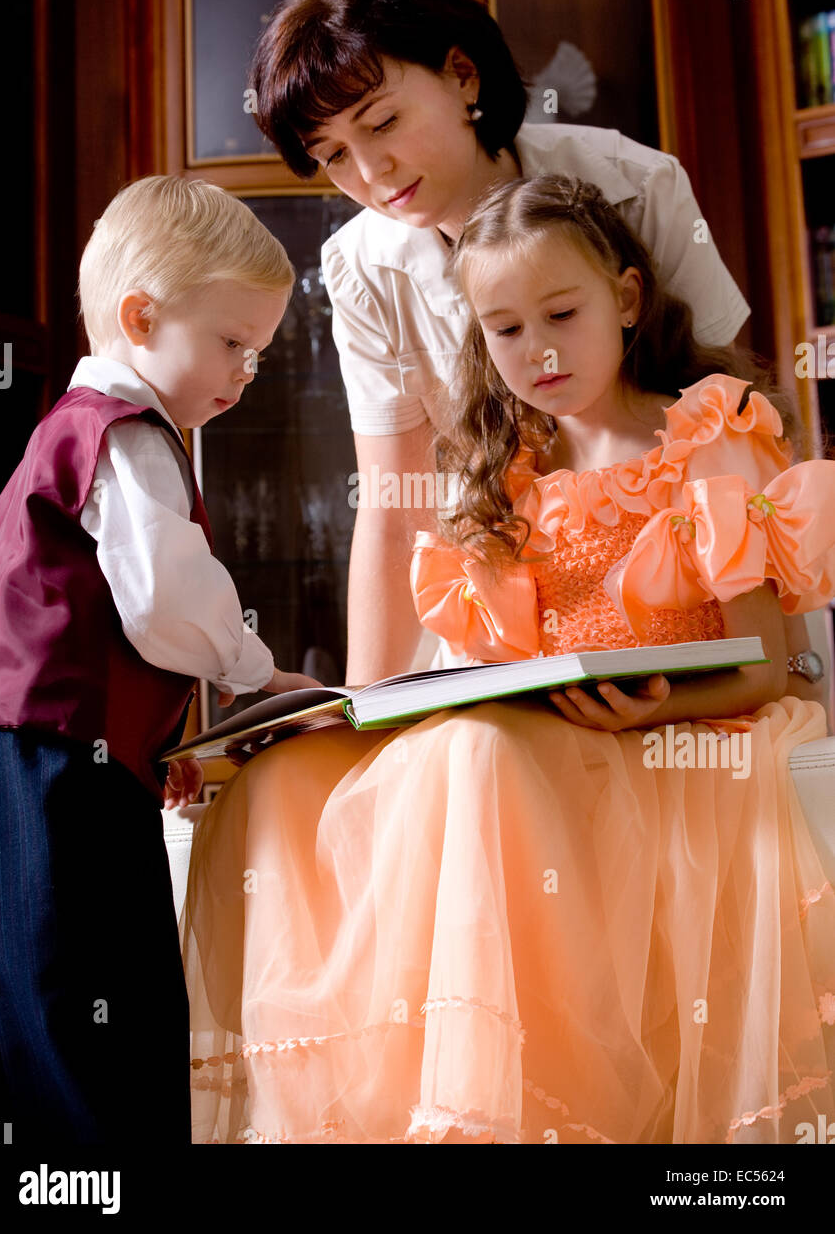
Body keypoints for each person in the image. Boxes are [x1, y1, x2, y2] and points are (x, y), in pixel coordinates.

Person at [182, 173, 835, 1145]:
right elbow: (498, 670)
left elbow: (772, 664)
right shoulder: (509, 474)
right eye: (502, 329)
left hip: (684, 737)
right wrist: (355, 708)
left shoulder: (706, 436)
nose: (535, 351)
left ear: (622, 298)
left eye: (559, 314)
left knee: (479, 754)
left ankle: (506, 1113)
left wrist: (646, 711)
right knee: (284, 780)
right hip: (544, 742)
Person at [247, 0, 820, 689]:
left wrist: (773, 672)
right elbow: (396, 509)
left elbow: (725, 428)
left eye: (382, 122)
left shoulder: (638, 187)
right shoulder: (359, 266)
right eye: (332, 156)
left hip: (690, 629)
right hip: (512, 633)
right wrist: (361, 707)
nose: (370, 173)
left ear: (462, 74)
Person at [0, 175, 319, 1144]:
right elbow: (165, 600)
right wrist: (253, 670)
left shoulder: (88, 432)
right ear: (140, 316)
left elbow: (118, 626)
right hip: (58, 778)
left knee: (64, 1000)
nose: (245, 371)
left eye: (258, 350)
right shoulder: (126, 438)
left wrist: (164, 739)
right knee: (85, 1002)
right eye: (232, 343)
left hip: (55, 767)